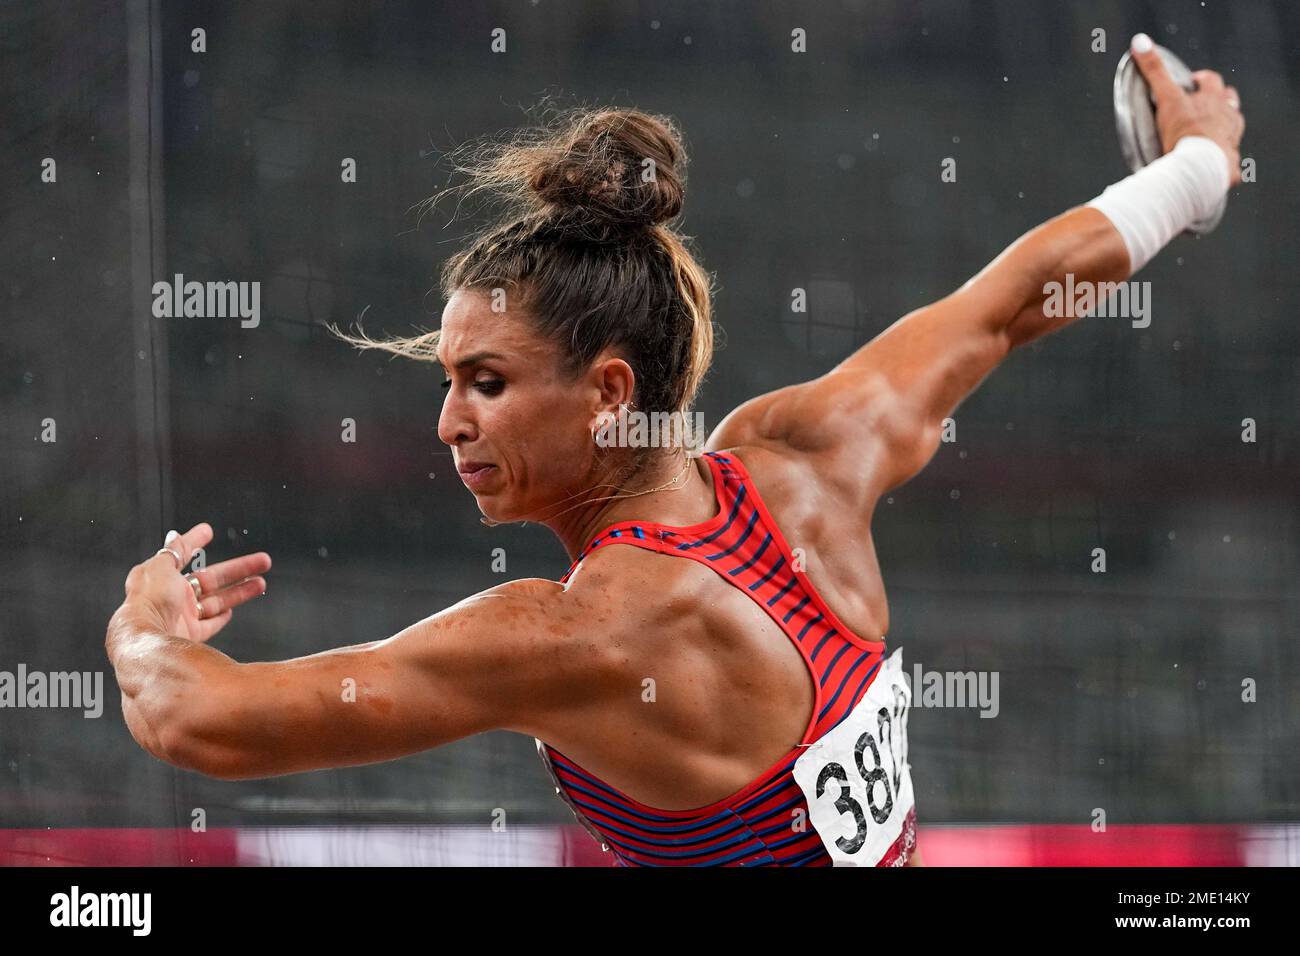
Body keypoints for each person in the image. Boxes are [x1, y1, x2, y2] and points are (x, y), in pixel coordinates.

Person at [106, 34, 1244, 866]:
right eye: (447, 383)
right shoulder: (801, 455)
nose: (448, 423)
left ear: (608, 392)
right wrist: (1189, 177)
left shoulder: (581, 633)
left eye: (485, 384)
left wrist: (145, 625)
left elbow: (200, 720)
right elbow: (1005, 303)